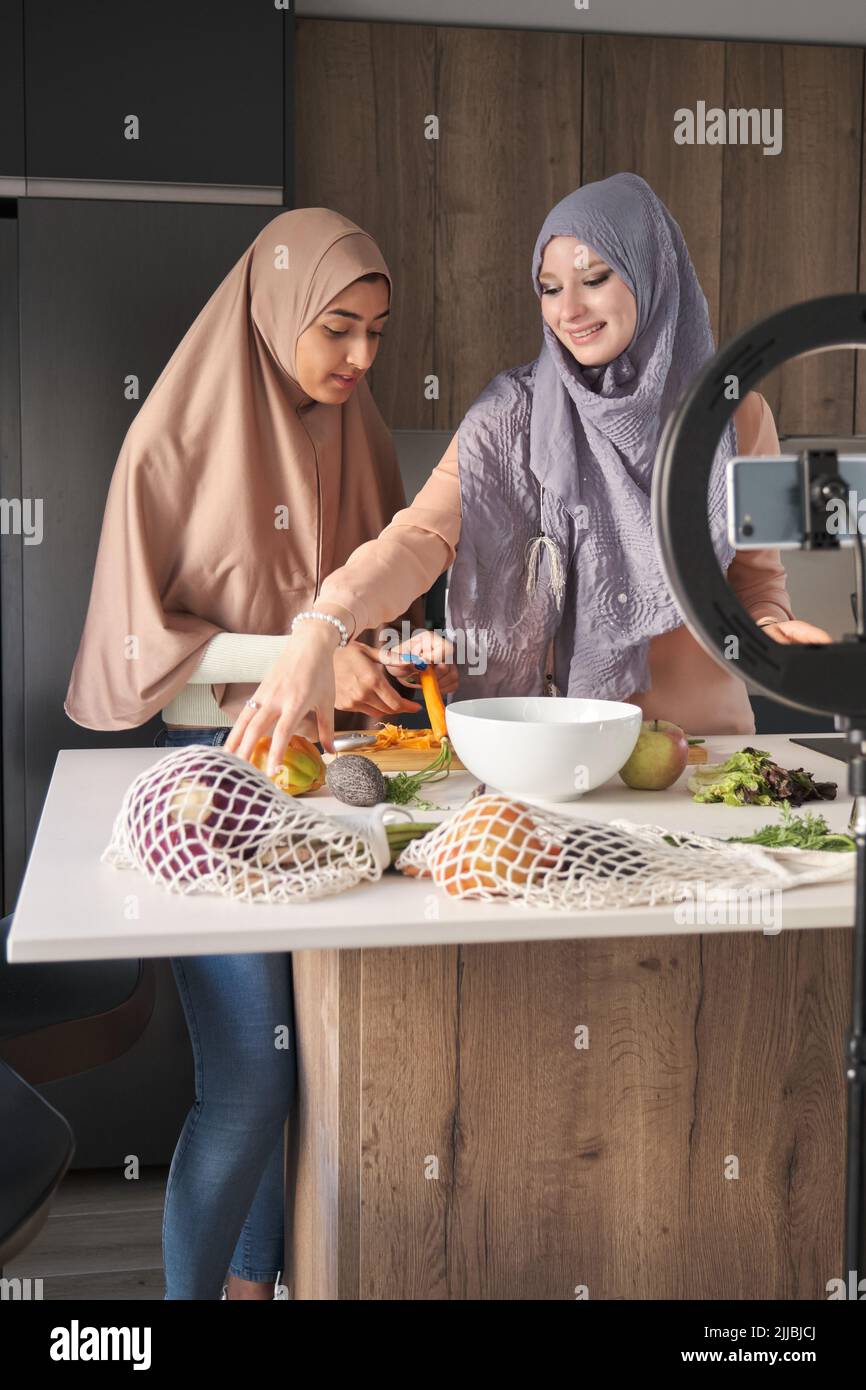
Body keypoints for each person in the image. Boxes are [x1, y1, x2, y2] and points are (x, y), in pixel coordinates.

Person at [63, 208, 453, 1299]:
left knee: (321, 1066)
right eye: (337, 329)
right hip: (210, 785)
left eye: (376, 330)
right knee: (248, 1078)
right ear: (278, 308)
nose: (362, 358)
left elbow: (366, 597)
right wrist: (299, 658)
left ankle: (253, 1289)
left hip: (327, 785)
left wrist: (389, 651)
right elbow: (147, 657)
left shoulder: (355, 425)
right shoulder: (170, 443)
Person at [222, 173, 832, 769]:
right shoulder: (506, 416)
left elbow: (757, 581)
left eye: (594, 278)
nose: (570, 310)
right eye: (549, 287)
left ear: (653, 275)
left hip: (702, 755)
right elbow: (417, 539)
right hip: (552, 754)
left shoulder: (743, 415)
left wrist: (769, 629)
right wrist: (324, 623)